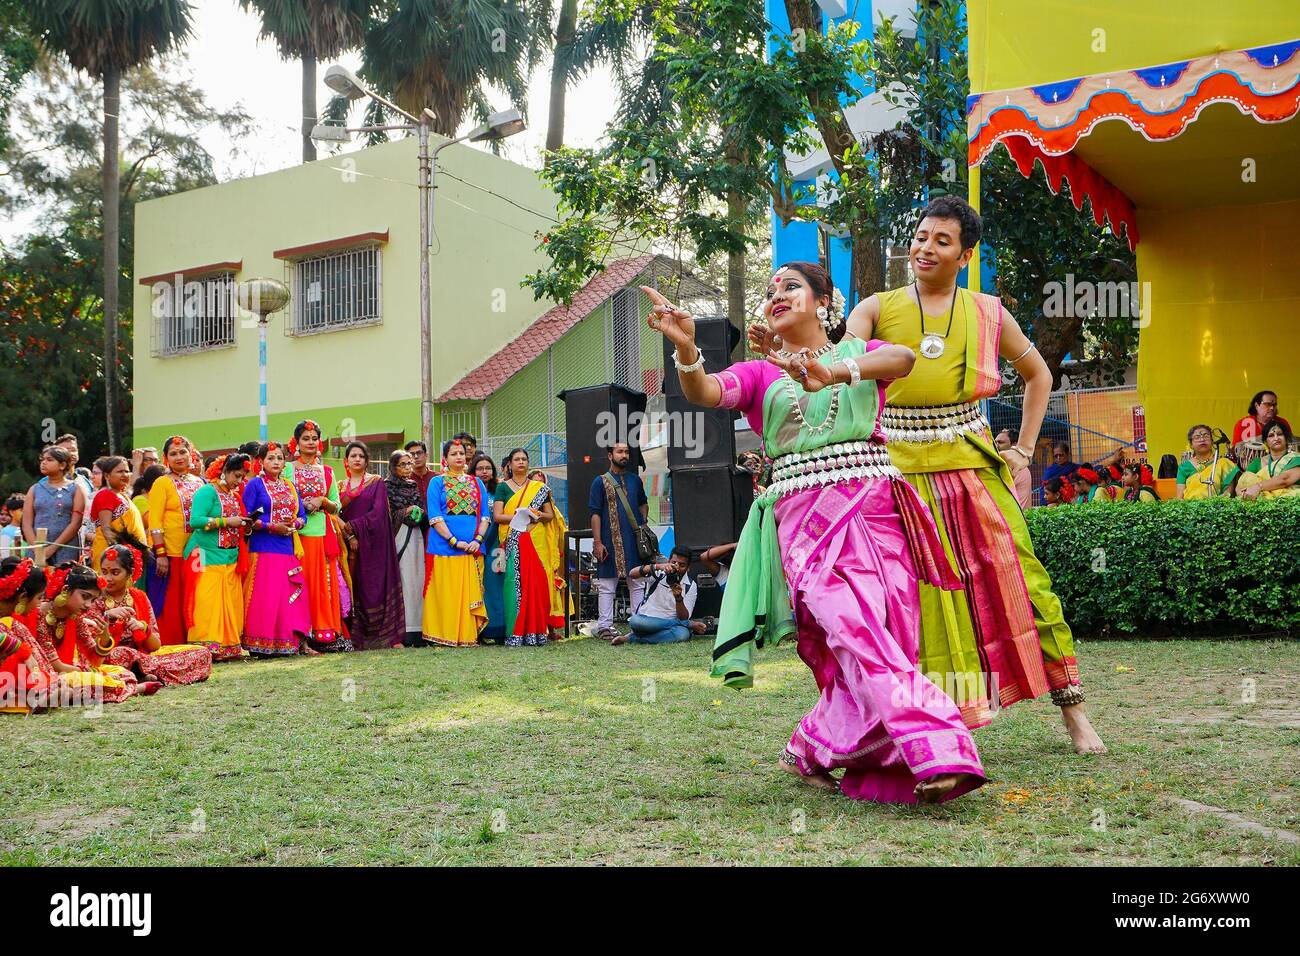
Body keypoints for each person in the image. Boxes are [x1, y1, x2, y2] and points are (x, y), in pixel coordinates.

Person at [660, 263, 986, 805]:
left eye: (790, 286)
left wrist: (833, 374)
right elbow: (706, 392)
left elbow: (902, 360)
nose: (776, 296)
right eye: (769, 291)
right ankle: (939, 746)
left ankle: (810, 747)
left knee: (884, 636)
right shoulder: (760, 374)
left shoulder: (857, 351)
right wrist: (688, 351)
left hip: (876, 510)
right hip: (805, 521)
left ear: (823, 301)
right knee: (853, 629)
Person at [828, 195, 1104, 754]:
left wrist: (1024, 450)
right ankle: (912, 730)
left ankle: (1075, 715)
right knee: (902, 601)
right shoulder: (877, 308)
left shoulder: (988, 312)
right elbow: (846, 352)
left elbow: (1038, 375)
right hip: (894, 471)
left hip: (972, 465)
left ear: (965, 254)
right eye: (922, 236)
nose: (926, 248)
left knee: (1022, 581)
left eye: (942, 241)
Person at [91, 544, 212, 684]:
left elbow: (155, 646)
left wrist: (142, 628)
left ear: (130, 573)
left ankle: (140, 673)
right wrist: (107, 616)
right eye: (104, 572)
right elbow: (90, 646)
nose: (108, 578)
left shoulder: (139, 597)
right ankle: (141, 674)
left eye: (115, 572)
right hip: (108, 657)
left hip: (144, 657)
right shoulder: (94, 599)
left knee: (201, 653)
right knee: (120, 654)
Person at [39, 563, 159, 702]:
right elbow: (56, 666)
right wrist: (89, 673)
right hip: (45, 674)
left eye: (93, 600)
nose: (89, 605)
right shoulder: (40, 616)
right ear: (66, 590)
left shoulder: (75, 618)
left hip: (68, 671)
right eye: (85, 596)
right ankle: (136, 689)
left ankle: (124, 685)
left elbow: (95, 661)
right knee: (90, 679)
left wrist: (104, 638)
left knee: (121, 673)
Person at [285, 420, 351, 652]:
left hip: (322, 535)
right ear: (296, 443)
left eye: (314, 439)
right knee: (300, 584)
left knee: (323, 584)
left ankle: (323, 633)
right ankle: (299, 636)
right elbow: (282, 497)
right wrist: (300, 505)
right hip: (295, 536)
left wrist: (323, 501)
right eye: (306, 438)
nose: (311, 443)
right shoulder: (287, 469)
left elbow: (337, 506)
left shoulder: (327, 471)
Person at [241, 442, 312, 657]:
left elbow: (303, 515)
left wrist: (295, 525)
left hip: (287, 547)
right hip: (263, 547)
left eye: (280, 458)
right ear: (261, 462)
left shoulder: (290, 486)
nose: (276, 462)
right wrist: (272, 526)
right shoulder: (255, 485)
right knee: (266, 597)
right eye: (271, 458)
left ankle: (288, 642)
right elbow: (247, 519)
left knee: (286, 595)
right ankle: (260, 645)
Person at [422, 439, 491, 646]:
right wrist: (454, 541)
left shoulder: (476, 482)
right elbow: (434, 516)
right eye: (454, 454)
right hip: (444, 548)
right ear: (445, 458)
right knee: (445, 593)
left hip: (472, 548)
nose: (459, 457)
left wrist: (477, 540)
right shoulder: (437, 482)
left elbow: (485, 516)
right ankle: (444, 636)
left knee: (467, 592)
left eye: (461, 453)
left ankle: (467, 635)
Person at [337, 440, 405, 650]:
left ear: (367, 461)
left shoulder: (376, 483)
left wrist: (351, 526)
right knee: (352, 588)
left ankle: (386, 637)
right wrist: (348, 535)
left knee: (373, 588)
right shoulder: (339, 486)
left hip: (374, 547)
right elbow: (333, 515)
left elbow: (377, 515)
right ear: (346, 461)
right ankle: (355, 638)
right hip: (347, 546)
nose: (357, 459)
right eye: (353, 456)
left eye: (361, 456)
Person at [492, 448, 564, 647]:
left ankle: (538, 631)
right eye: (517, 459)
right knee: (513, 584)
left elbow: (549, 514)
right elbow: (498, 516)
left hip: (536, 539)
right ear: (510, 464)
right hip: (514, 538)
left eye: (524, 459)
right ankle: (514, 632)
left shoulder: (539, 488)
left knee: (537, 583)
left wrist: (535, 515)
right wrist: (519, 515)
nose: (521, 462)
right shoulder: (503, 488)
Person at [183, 454, 251, 661]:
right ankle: (206, 648)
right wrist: (227, 522)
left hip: (230, 556)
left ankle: (228, 648)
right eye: (236, 476)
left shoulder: (234, 495)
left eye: (242, 477)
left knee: (229, 603)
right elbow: (195, 521)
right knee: (207, 603)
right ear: (224, 471)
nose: (239, 481)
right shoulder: (207, 491)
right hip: (204, 555)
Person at [146, 436, 206, 645]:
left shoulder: (199, 482)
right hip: (170, 553)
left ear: (191, 454)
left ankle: (198, 641)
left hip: (198, 552)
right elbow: (155, 522)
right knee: (171, 601)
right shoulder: (162, 483)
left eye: (183, 452)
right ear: (166, 458)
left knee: (197, 597)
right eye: (173, 453)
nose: (179, 457)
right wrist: (160, 553)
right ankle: (172, 644)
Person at [587, 442, 649, 641]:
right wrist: (597, 542)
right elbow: (595, 513)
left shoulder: (635, 480)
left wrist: (642, 524)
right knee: (607, 584)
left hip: (633, 540)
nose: (624, 455)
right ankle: (605, 626)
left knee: (637, 582)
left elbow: (643, 503)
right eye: (620, 452)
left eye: (626, 452)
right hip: (609, 540)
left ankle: (638, 623)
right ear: (610, 455)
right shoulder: (600, 482)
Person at [612, 546, 709, 645]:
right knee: (635, 621)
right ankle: (686, 625)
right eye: (674, 563)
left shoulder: (690, 585)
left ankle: (632, 639)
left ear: (688, 568)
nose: (677, 567)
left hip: (668, 626)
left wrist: (678, 598)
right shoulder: (659, 573)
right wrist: (657, 566)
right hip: (646, 622)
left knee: (682, 634)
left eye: (682, 565)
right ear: (669, 561)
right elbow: (632, 574)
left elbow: (684, 617)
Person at [385, 450, 427, 646]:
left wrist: (417, 512)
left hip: (416, 535)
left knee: (417, 580)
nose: (408, 468)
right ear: (393, 467)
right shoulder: (386, 487)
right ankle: (403, 630)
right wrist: (406, 511)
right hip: (398, 536)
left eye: (410, 464)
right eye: (403, 464)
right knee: (404, 579)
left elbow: (421, 509)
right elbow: (386, 516)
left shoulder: (413, 486)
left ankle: (418, 629)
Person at [22, 446, 86, 566]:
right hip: (36, 547)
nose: (44, 463)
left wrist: (53, 548)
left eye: (49, 460)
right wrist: (37, 549)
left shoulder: (76, 489)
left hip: (66, 546)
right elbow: (26, 524)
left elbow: (76, 523)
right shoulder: (34, 489)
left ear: (62, 465)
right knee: (34, 581)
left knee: (63, 581)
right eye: (42, 460)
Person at [89, 456, 148, 572]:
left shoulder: (124, 496)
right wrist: (119, 555)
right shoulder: (105, 495)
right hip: (112, 558)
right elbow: (107, 530)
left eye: (127, 471)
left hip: (125, 556)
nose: (125, 475)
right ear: (106, 476)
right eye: (120, 471)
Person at [471, 453, 506, 642]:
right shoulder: (468, 491)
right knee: (477, 587)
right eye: (480, 468)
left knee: (496, 586)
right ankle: (479, 630)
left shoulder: (499, 491)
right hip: (473, 546)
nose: (484, 472)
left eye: (488, 468)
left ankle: (498, 629)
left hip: (496, 548)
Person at [1236, 420, 1300, 499]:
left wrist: (1258, 487)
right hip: (1258, 504)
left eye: (1280, 434)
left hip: (1287, 501)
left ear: (1286, 439)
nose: (1276, 438)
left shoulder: (1295, 459)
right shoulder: (1257, 463)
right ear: (1266, 442)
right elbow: (1243, 482)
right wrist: (1243, 493)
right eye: (1271, 435)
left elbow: (1285, 480)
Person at [1176, 425, 1238, 499]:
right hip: (1190, 507)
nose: (1202, 439)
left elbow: (1228, 493)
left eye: (1206, 436)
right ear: (1191, 444)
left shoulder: (1224, 463)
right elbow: (1179, 498)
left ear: (1212, 442)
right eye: (1197, 437)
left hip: (1218, 506)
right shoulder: (1184, 467)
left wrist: (1216, 504)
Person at [995, 427, 1033, 508]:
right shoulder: (1009, 466)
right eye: (995, 442)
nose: (996, 446)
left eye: (1000, 442)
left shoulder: (1018, 468)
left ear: (1014, 445)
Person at [0, 494, 24, 559]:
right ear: (12, 512)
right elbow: (5, 556)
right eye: (21, 510)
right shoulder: (6, 532)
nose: (25, 512)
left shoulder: (28, 530)